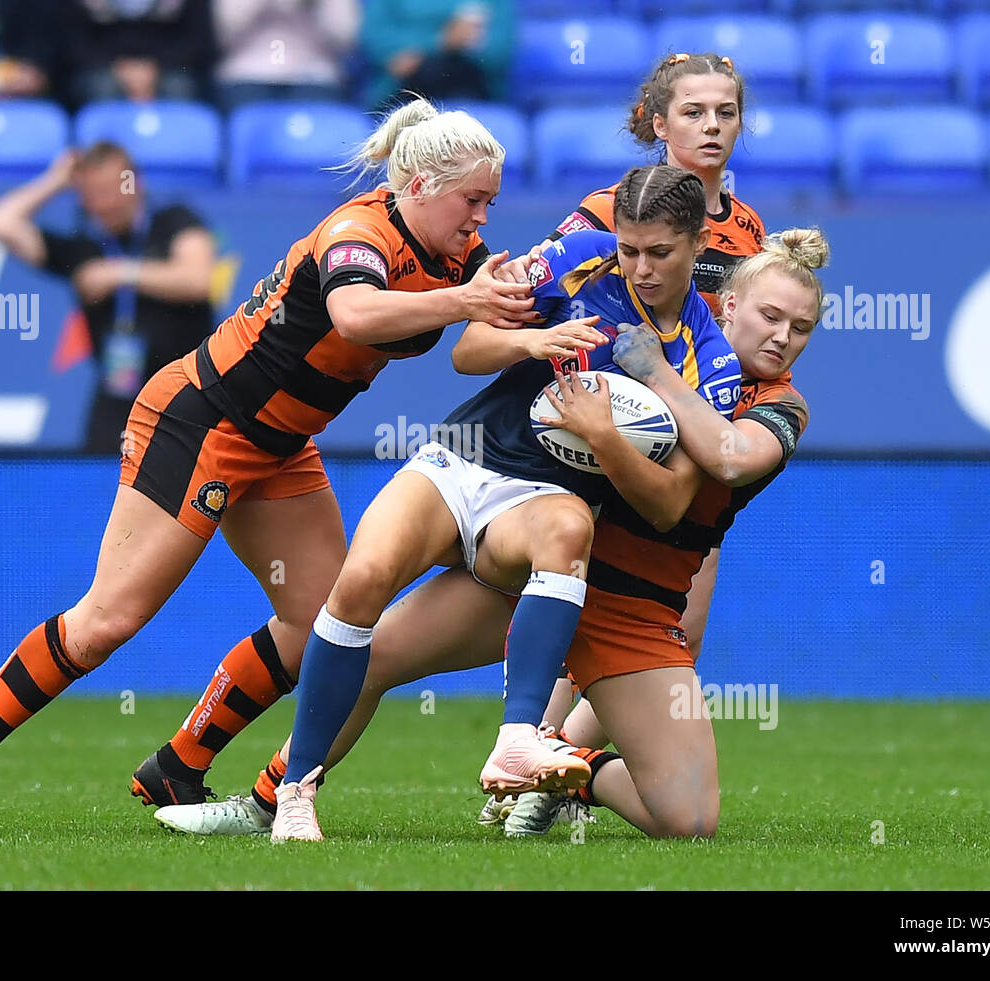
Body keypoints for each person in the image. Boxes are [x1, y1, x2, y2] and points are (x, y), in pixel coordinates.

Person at [0, 100, 531, 831]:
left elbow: (484, 321)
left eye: (489, 202)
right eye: (472, 200)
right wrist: (468, 298)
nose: (482, 220)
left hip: (280, 443)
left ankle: (178, 767)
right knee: (106, 621)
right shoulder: (358, 231)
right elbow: (356, 315)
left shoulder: (456, 256)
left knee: (324, 624)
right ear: (419, 185)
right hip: (200, 420)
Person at [154, 227, 826, 840]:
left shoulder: (774, 404)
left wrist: (649, 384)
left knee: (691, 820)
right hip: (543, 571)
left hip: (633, 611)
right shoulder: (649, 323)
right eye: (770, 316)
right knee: (371, 652)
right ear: (728, 305)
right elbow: (487, 339)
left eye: (801, 327)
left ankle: (575, 771)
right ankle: (274, 798)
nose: (782, 336)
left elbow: (706, 477)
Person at [518, 51, 766, 774]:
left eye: (726, 113)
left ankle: (559, 763)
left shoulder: (746, 226)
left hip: (693, 443)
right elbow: (540, 288)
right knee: (588, 608)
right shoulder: (609, 210)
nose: (711, 126)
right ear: (659, 122)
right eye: (693, 112)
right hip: (604, 436)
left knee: (675, 633)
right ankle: (527, 752)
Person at [0, 142, 216, 453]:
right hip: (119, 397)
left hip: (187, 393)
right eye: (94, 192)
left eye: (112, 188)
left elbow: (199, 279)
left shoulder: (173, 220)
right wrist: (55, 181)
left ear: (135, 184)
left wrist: (119, 273)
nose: (105, 202)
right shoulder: (84, 248)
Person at [360, 1, 513, 110]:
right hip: (401, 92)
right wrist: (443, 40)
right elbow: (376, 42)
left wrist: (466, 40)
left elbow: (501, 50)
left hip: (475, 91)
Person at [213, 0, 360, 112]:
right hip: (246, 76)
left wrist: (314, 5)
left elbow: (347, 41)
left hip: (316, 75)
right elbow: (220, 37)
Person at [62, 0, 213, 106]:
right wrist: (118, 66)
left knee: (179, 88)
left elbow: (197, 38)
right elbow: (73, 38)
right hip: (103, 65)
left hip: (169, 66)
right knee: (102, 88)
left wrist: (155, 66)